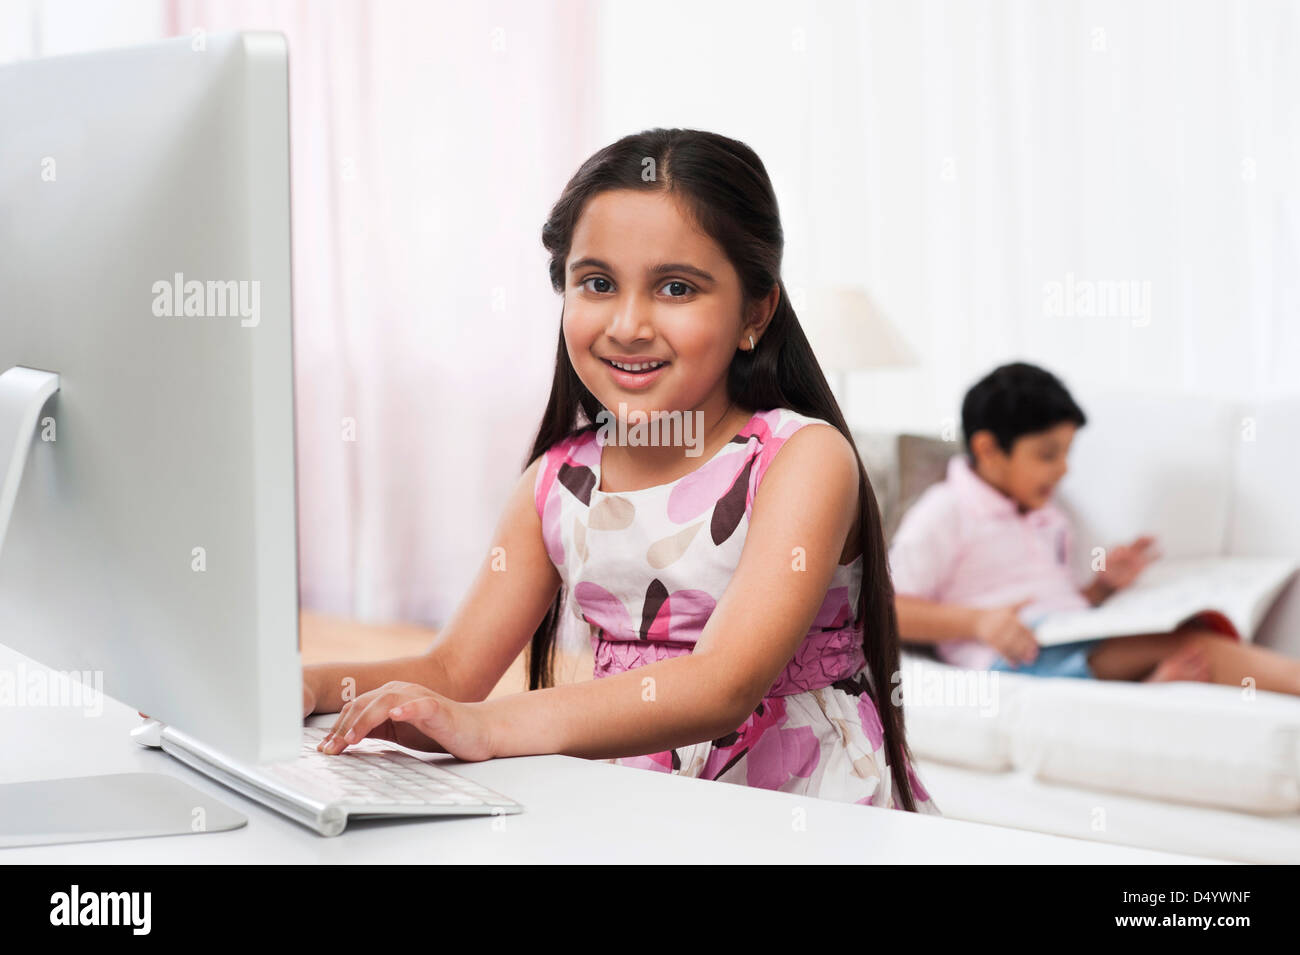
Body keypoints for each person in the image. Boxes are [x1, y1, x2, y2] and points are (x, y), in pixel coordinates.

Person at [303, 128, 939, 813]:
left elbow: (722, 683)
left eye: (675, 287)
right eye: (598, 283)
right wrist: (309, 685)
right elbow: (451, 670)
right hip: (637, 806)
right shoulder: (556, 484)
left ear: (755, 311)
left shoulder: (800, 458)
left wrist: (487, 726)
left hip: (804, 811)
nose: (629, 324)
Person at [891, 361, 1300, 695]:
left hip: (1064, 636)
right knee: (1194, 644)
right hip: (1015, 657)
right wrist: (977, 622)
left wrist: (1101, 589)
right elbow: (885, 608)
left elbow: (1058, 605)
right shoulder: (945, 511)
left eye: (1067, 454)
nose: (1063, 469)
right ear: (988, 449)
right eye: (1047, 455)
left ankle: (1143, 687)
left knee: (1194, 633)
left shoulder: (1047, 513)